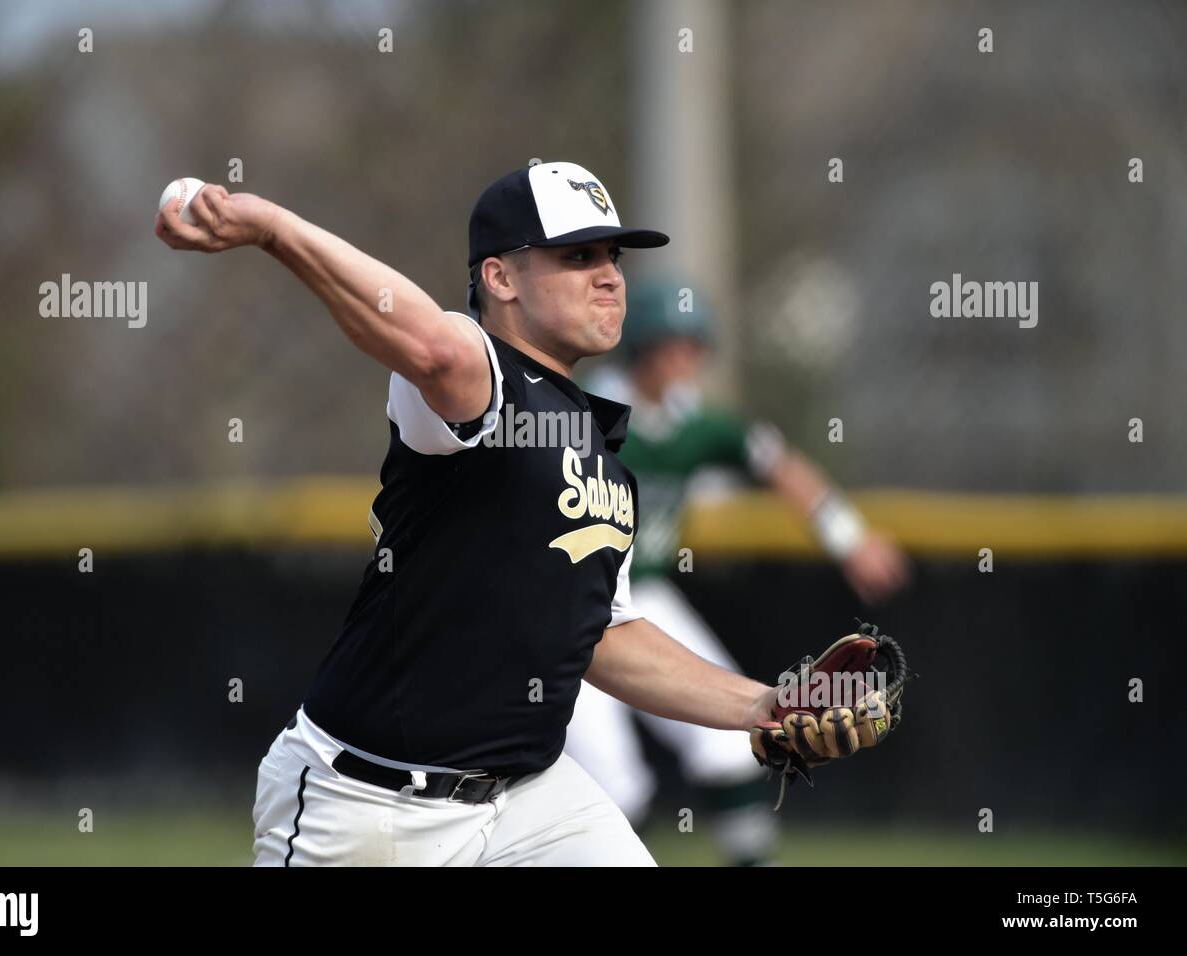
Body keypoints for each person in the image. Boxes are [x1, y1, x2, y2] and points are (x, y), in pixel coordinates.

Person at [154, 160, 792, 866]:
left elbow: (604, 639)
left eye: (611, 257)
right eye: (577, 256)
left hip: (529, 801)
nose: (609, 276)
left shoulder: (602, 449)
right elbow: (430, 348)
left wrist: (761, 706)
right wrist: (271, 229)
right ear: (501, 278)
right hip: (371, 804)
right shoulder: (476, 383)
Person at [564, 279, 910, 865]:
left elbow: (780, 465)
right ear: (641, 348)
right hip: (568, 602)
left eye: (695, 348)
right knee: (614, 782)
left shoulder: (695, 424)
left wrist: (848, 539)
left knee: (736, 742)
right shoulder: (583, 413)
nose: (689, 361)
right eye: (675, 346)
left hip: (642, 594)